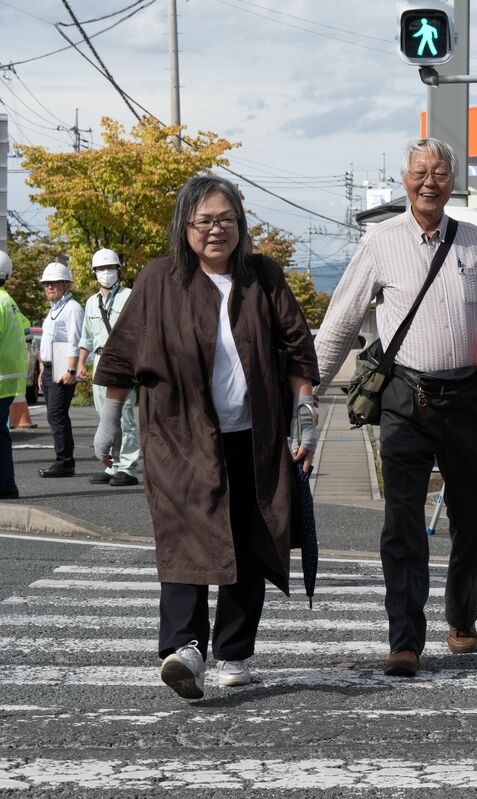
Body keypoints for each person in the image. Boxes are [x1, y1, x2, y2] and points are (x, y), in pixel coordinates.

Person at [92, 173, 320, 699]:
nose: (216, 230)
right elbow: (123, 355)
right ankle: (183, 649)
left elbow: (297, 347)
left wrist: (304, 408)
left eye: (226, 219)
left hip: (252, 437)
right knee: (184, 536)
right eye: (204, 221)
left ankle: (234, 651)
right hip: (178, 437)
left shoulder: (261, 276)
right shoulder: (158, 279)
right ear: (185, 226)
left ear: (240, 224)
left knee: (250, 539)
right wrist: (108, 419)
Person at [314, 137, 477, 678]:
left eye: (439, 171)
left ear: (451, 179)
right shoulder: (380, 242)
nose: (429, 180)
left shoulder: (476, 244)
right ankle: (405, 639)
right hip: (404, 400)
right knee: (402, 524)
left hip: (467, 403)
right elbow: (342, 319)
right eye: (420, 172)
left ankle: (461, 617)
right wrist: (306, 387)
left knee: (475, 522)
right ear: (405, 181)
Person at [77, 248, 141, 487]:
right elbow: (86, 337)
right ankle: (112, 465)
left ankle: (128, 468)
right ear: (94, 272)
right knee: (104, 419)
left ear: (119, 271)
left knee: (123, 418)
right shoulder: (91, 302)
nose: (106, 272)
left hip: (122, 364)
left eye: (111, 268)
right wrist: (81, 364)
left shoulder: (130, 296)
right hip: (99, 363)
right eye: (101, 269)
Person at [37, 261, 83, 478]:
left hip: (62, 364)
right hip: (49, 365)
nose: (49, 287)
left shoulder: (72, 309)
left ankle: (65, 462)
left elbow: (75, 341)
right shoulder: (53, 310)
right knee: (54, 415)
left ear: (66, 285)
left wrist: (71, 371)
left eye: (54, 283)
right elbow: (46, 342)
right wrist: (41, 370)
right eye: (46, 284)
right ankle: (63, 460)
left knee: (57, 415)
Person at [0, 252, 27, 498]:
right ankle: (7, 484)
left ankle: (6, 485)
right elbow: (27, 328)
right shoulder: (9, 301)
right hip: (9, 382)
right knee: (2, 435)